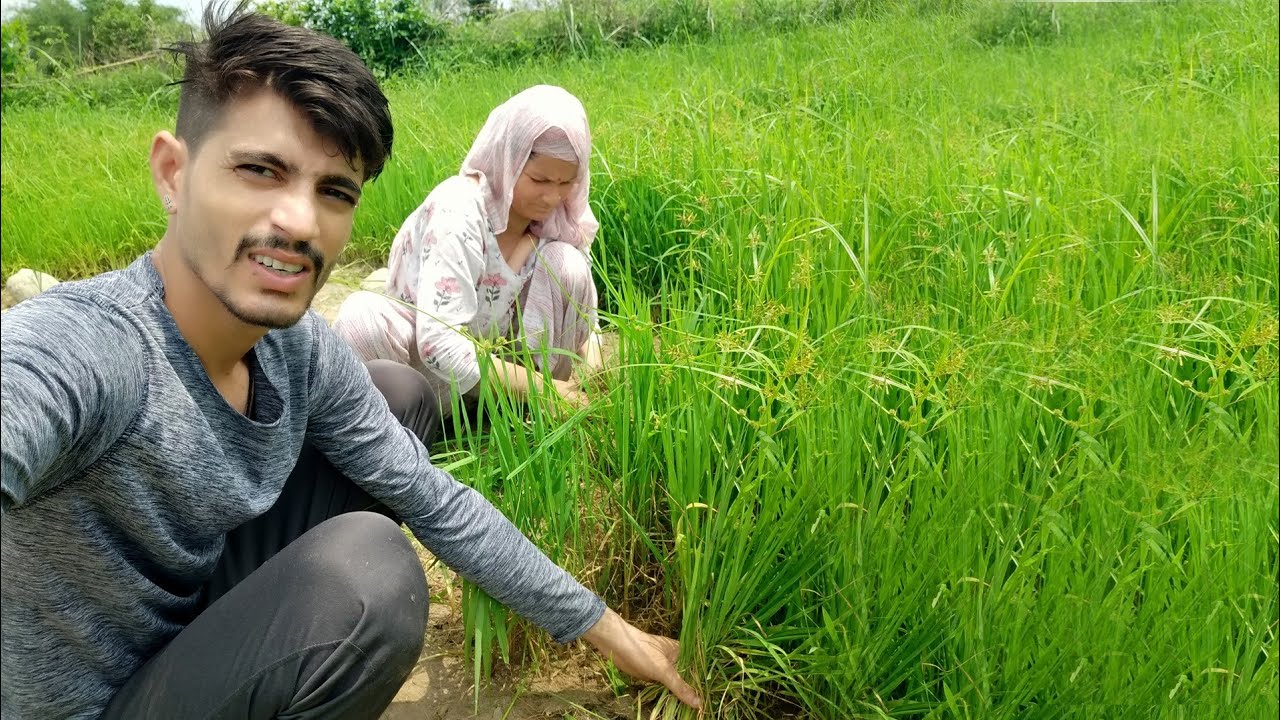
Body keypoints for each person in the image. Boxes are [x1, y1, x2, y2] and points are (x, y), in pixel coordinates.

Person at [0, 5, 701, 719]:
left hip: (193, 626)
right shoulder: (87, 347)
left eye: (334, 191)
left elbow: (433, 498)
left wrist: (610, 630)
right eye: (260, 170)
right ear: (173, 173)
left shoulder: (299, 348)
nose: (299, 222)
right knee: (370, 581)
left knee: (394, 393)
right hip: (89, 701)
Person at [334, 84, 604, 414]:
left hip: (509, 384)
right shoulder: (459, 211)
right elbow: (437, 343)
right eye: (540, 180)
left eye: (566, 183)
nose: (552, 197)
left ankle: (523, 416)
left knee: (568, 264)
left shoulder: (560, 221)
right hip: (428, 379)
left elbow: (586, 325)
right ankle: (389, 427)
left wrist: (595, 383)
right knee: (362, 317)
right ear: (509, 161)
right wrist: (548, 391)